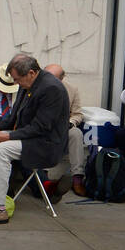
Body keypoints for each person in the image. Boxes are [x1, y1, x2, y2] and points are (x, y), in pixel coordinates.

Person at [0, 55, 70, 225]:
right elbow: (14, 116)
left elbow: (40, 128)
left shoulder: (52, 89)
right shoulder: (26, 83)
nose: (16, 83)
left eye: (17, 79)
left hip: (45, 144)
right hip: (28, 137)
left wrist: (7, 136)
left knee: (0, 150)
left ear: (32, 73)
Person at [43, 63, 87, 197]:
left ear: (61, 79)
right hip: (42, 127)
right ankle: (43, 176)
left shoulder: (72, 89)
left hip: (63, 127)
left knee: (76, 133)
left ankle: (77, 178)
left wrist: (69, 123)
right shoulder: (35, 88)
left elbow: (78, 114)